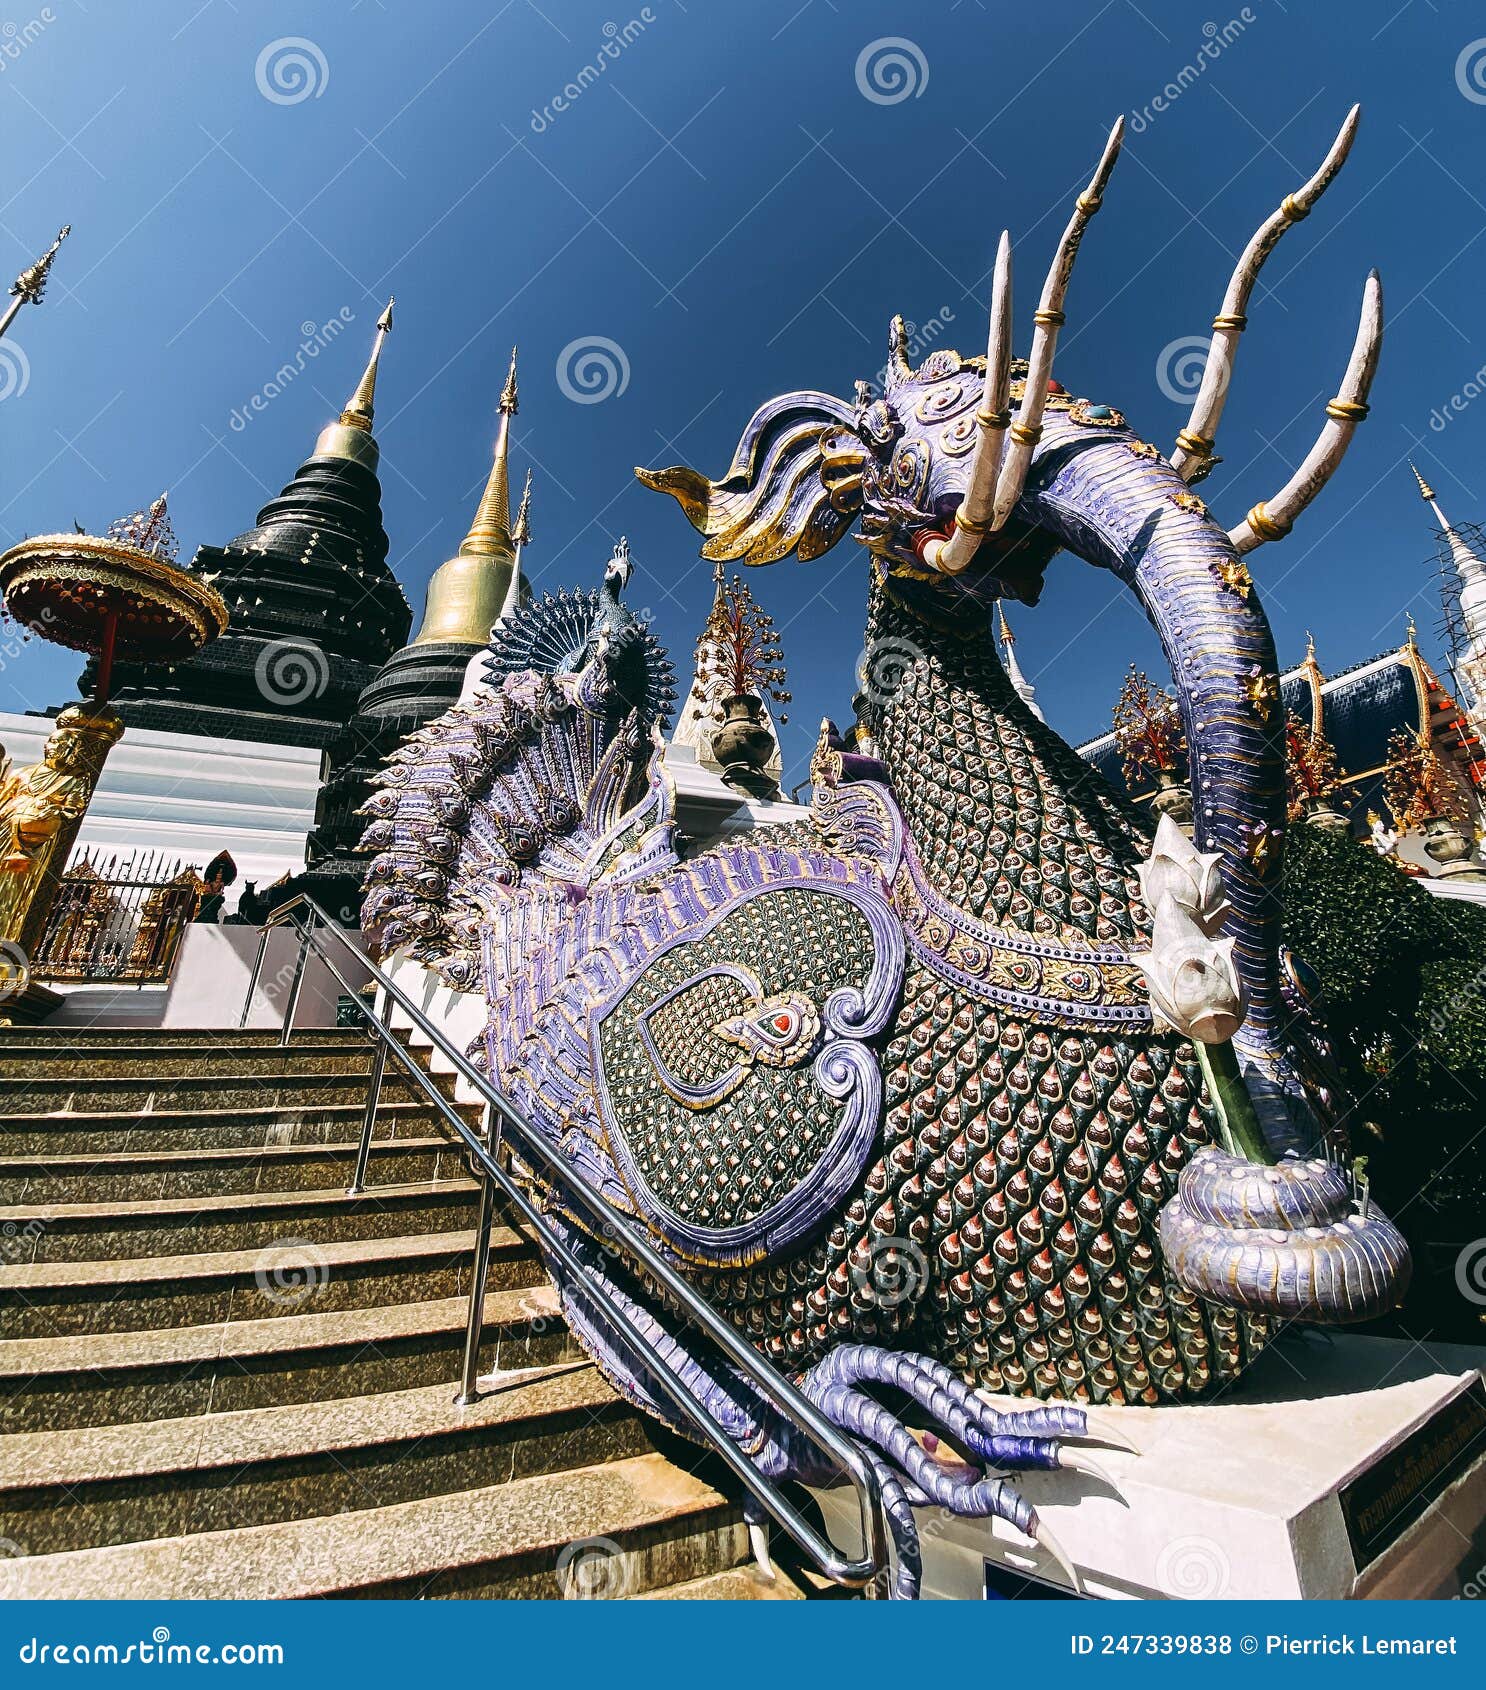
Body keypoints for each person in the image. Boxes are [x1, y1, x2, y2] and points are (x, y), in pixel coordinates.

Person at [192, 850, 238, 923]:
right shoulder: (211, 882)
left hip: (214, 899)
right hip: (208, 898)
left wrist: (218, 892)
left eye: (220, 875)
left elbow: (220, 890)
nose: (218, 876)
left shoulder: (221, 884)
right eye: (218, 874)